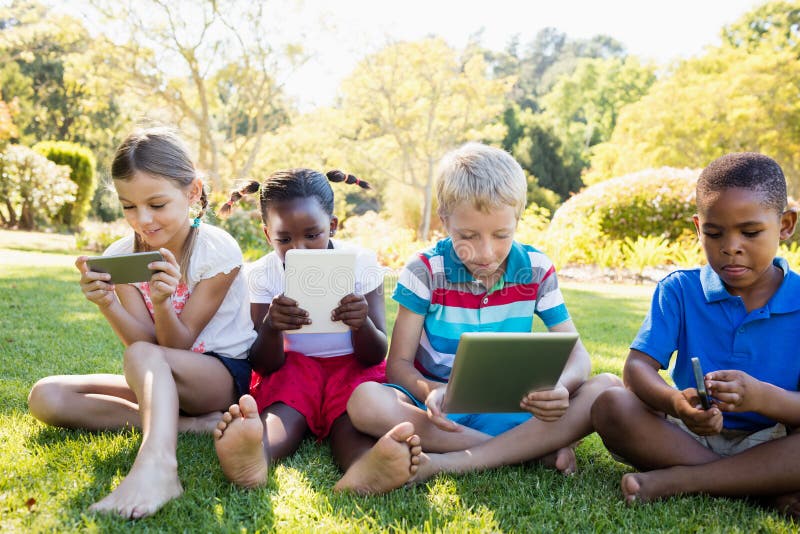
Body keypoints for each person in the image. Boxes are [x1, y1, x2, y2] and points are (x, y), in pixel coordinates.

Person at [344, 142, 621, 487]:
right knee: (365, 400)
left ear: (517, 219)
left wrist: (561, 389)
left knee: (607, 387)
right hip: (442, 414)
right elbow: (398, 364)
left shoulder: (536, 269)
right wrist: (432, 390)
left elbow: (577, 354)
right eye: (468, 235)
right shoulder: (425, 270)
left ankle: (454, 461)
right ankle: (530, 451)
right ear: (445, 221)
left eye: (502, 235)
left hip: (513, 409)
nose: (485, 252)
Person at [26, 127, 257, 519]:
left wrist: (164, 303)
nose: (143, 219)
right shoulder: (121, 256)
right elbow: (141, 341)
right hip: (158, 374)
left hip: (218, 376)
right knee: (46, 396)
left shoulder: (216, 251)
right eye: (129, 206)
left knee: (144, 355)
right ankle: (190, 426)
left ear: (193, 192)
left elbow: (176, 345)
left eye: (156, 203)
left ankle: (159, 464)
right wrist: (107, 304)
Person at [590, 152, 800, 516]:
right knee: (611, 404)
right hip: (686, 437)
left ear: (785, 225)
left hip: (774, 440)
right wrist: (676, 404)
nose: (730, 247)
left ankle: (682, 482)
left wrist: (762, 397)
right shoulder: (680, 290)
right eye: (714, 233)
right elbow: (636, 369)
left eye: (750, 233)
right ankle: (760, 487)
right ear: (698, 228)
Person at [212, 168, 422, 495]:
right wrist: (271, 327)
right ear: (268, 235)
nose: (300, 248)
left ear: (332, 226)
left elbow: (376, 353)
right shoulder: (263, 274)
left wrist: (361, 323)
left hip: (353, 367)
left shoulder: (361, 263)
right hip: (293, 367)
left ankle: (364, 466)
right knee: (286, 410)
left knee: (350, 417)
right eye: (284, 239)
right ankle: (256, 454)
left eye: (312, 235)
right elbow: (262, 364)